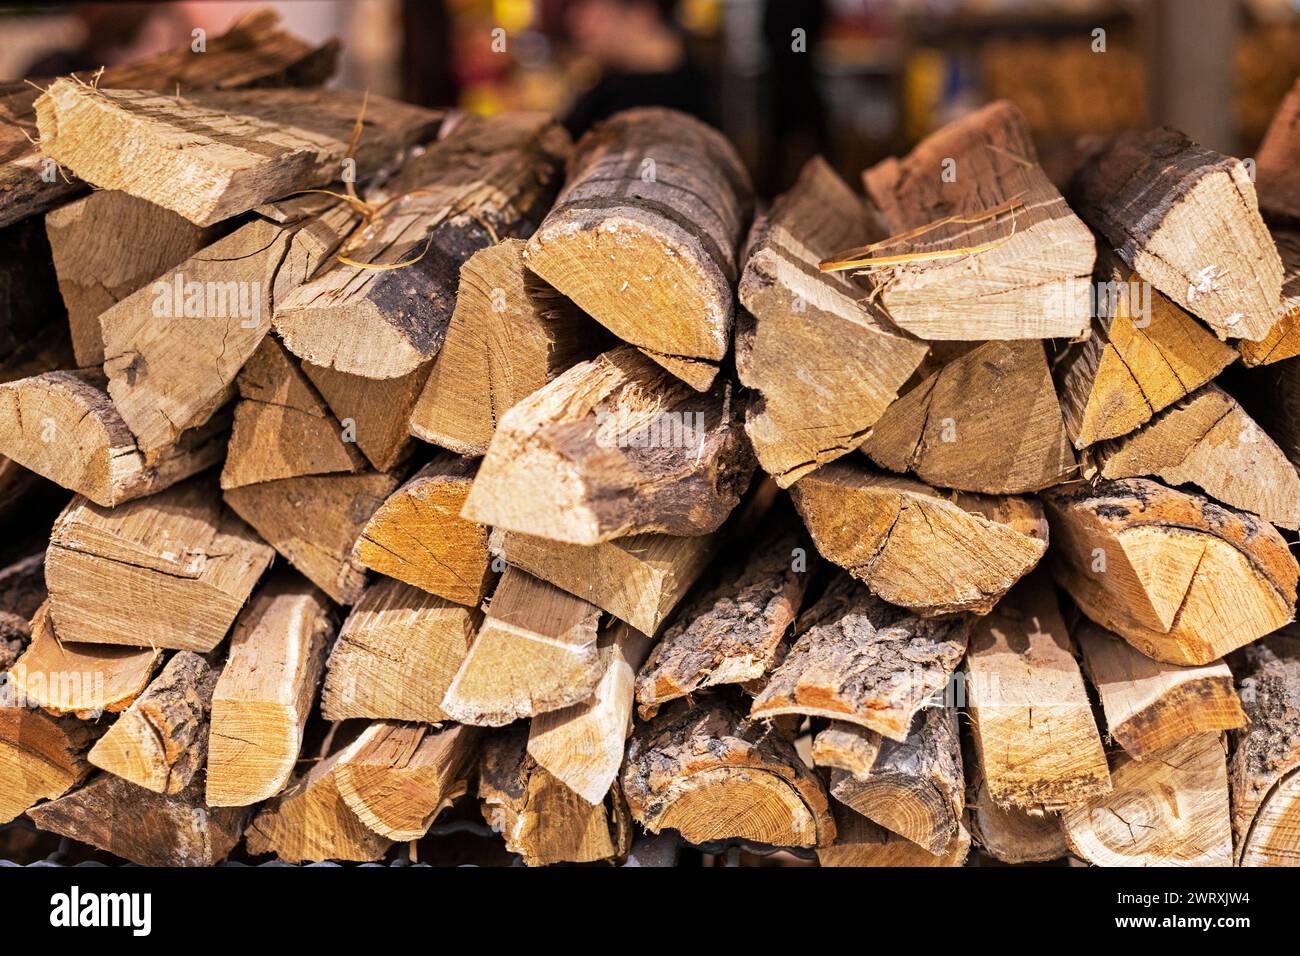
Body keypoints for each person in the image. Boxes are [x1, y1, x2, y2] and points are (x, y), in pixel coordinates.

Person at [562, 0, 715, 137]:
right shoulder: (704, 87)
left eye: (587, 5)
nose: (573, 18)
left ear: (641, 11)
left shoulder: (618, 98)